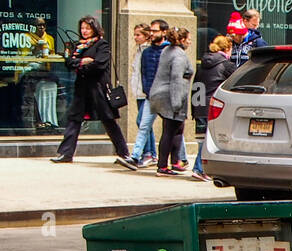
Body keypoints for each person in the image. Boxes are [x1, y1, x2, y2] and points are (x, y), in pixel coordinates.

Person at [50, 17, 132, 164]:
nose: (84, 31)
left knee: (108, 120)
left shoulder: (102, 44)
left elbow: (99, 65)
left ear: (94, 28)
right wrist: (84, 61)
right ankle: (66, 153)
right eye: (82, 28)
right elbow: (69, 62)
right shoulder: (79, 46)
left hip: (98, 89)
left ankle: (124, 153)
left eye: (87, 28)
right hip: (82, 89)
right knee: (74, 120)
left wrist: (82, 65)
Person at [148, 26, 193, 175]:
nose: (190, 42)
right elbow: (176, 80)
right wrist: (176, 103)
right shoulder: (179, 55)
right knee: (170, 130)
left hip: (160, 94)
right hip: (171, 96)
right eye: (188, 39)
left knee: (177, 129)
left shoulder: (167, 50)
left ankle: (175, 161)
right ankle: (162, 166)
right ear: (181, 40)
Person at [191, 35, 234, 181]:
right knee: (209, 139)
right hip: (213, 106)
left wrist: (194, 107)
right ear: (227, 48)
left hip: (199, 104)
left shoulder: (203, 63)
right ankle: (199, 168)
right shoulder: (226, 65)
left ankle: (201, 168)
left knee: (205, 138)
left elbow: (196, 85)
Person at [128, 23, 156, 165]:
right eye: (135, 34)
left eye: (138, 35)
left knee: (142, 122)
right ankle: (151, 153)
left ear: (146, 36)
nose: (135, 37)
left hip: (146, 92)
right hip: (139, 91)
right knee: (145, 124)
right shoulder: (138, 50)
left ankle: (148, 153)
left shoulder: (148, 51)